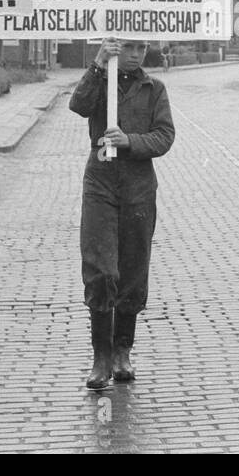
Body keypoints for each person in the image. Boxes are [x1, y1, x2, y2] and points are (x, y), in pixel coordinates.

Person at [69, 36, 175, 389]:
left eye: (140, 48)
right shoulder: (101, 79)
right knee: (100, 268)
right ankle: (100, 356)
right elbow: (78, 105)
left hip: (139, 185)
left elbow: (164, 136)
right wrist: (98, 65)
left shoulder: (153, 88)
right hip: (100, 179)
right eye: (127, 46)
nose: (133, 54)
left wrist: (130, 140)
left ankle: (122, 351)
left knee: (132, 268)